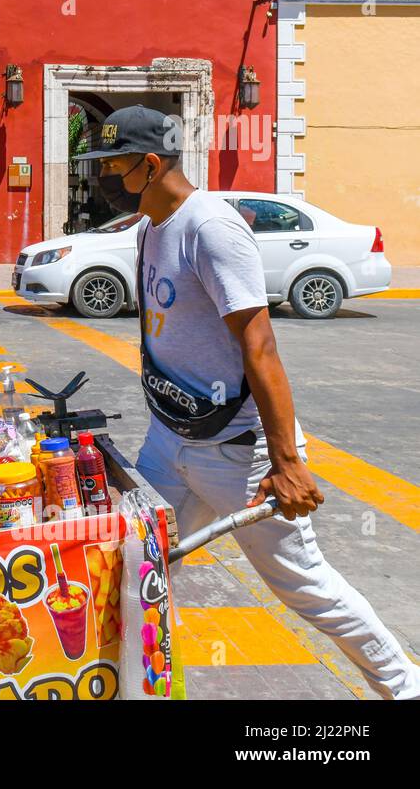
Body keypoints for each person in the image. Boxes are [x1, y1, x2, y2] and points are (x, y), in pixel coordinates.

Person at [74, 104, 420, 700]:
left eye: (112, 165)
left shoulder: (210, 229)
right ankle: (136, 685)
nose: (101, 177)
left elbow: (259, 345)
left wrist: (287, 462)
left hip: (238, 452)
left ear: (150, 165)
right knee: (140, 563)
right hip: (172, 437)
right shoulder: (150, 227)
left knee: (302, 585)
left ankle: (403, 684)